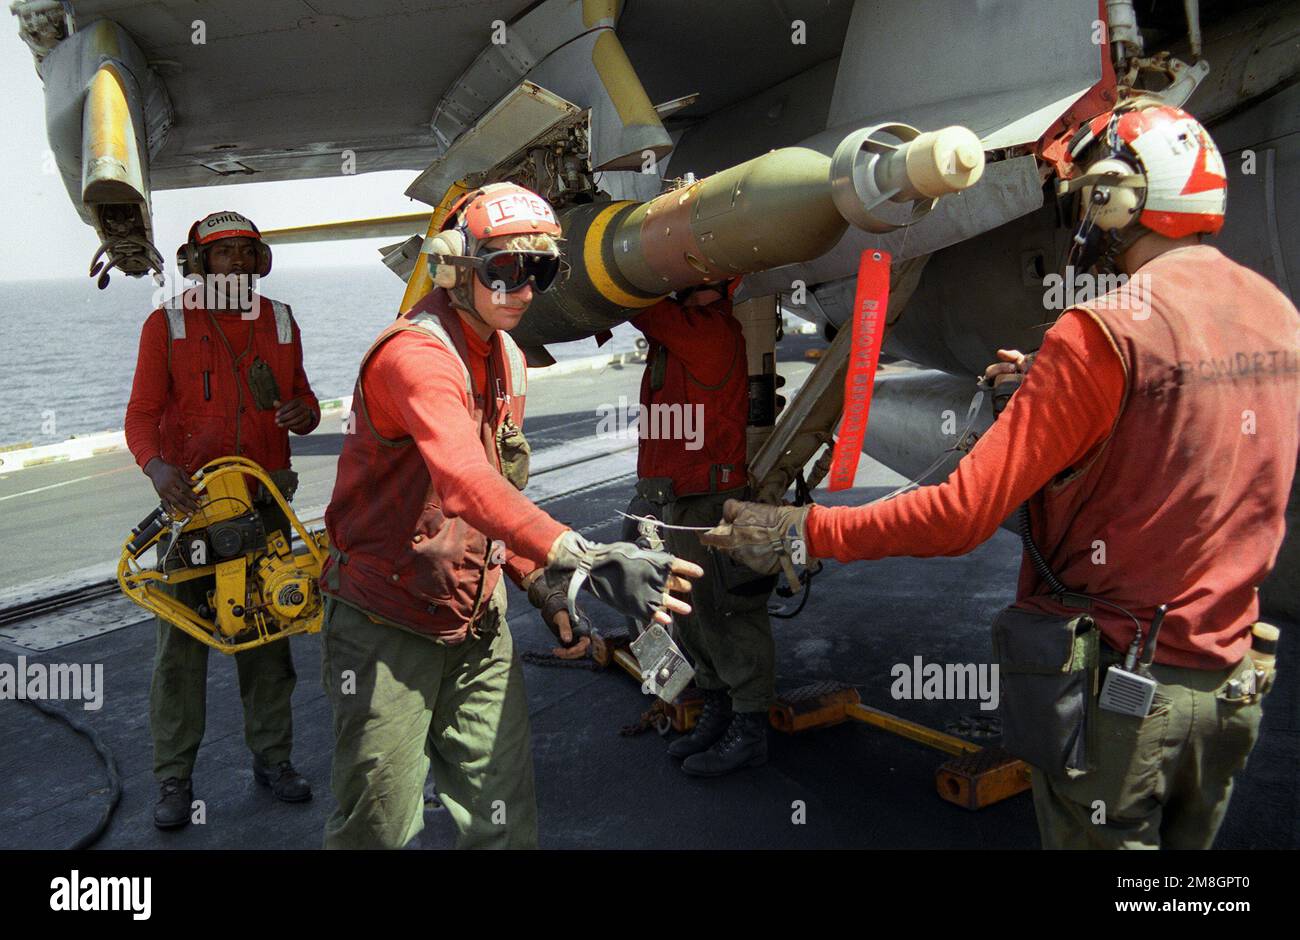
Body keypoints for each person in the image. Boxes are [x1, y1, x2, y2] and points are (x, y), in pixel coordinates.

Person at [702, 101, 1299, 849]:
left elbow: (959, 516)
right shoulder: (1277, 316)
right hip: (1233, 682)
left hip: (1127, 701)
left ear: (1120, 198)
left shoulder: (1102, 333)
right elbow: (1186, 442)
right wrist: (1054, 387)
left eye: (1090, 192)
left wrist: (805, 530)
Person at [319, 182, 701, 849]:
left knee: (503, 817)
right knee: (378, 828)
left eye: (542, 271)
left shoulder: (509, 360)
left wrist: (539, 579)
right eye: (505, 270)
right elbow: (464, 483)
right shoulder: (414, 358)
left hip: (477, 619)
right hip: (386, 621)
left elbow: (494, 493)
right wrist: (580, 557)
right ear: (455, 268)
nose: (523, 290)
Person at [125, 210, 321, 829]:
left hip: (265, 509)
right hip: (194, 514)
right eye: (223, 253)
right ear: (197, 263)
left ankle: (274, 762)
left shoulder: (282, 320)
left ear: (260, 262)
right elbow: (140, 415)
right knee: (180, 652)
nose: (236, 262)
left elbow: (309, 401)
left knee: (269, 635)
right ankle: (175, 780)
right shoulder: (167, 324)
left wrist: (303, 412)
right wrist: (157, 468)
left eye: (246, 252)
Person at [622, 282, 777, 776]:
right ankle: (719, 704)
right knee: (691, 616)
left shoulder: (710, 332)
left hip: (709, 506)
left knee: (727, 614)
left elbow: (640, 306)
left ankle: (750, 725)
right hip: (673, 502)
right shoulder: (682, 333)